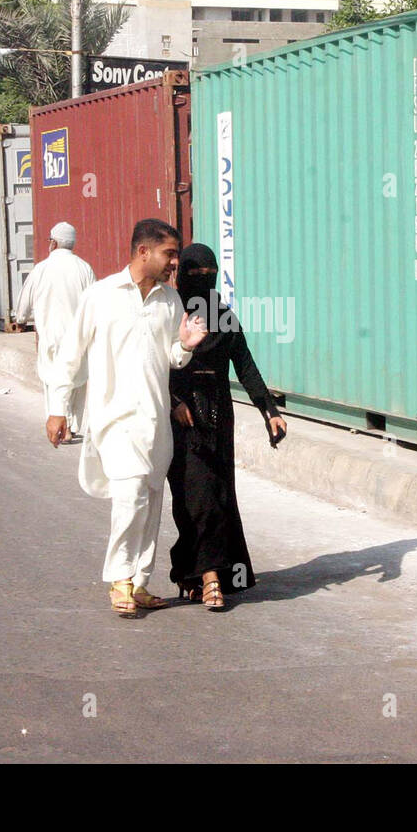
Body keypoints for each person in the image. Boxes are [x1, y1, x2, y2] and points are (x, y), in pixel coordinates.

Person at [46, 218, 208, 618]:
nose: (175, 262)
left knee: (151, 498)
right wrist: (57, 408)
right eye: (169, 253)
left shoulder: (169, 301)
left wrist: (185, 346)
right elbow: (70, 353)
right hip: (114, 417)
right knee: (131, 494)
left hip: (155, 418)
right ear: (143, 251)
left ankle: (139, 582)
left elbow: (171, 355)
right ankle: (119, 578)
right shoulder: (101, 295)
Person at [167, 244, 288, 610]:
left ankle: (203, 574)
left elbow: (246, 367)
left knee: (218, 496)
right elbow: (153, 361)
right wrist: (174, 402)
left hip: (218, 416)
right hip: (182, 417)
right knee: (194, 499)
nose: (203, 281)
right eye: (195, 275)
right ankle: (208, 577)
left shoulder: (225, 318)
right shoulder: (169, 313)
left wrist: (269, 411)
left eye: (210, 274)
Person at [15, 221, 96, 443]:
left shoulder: (41, 269)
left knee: (54, 382)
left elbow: (23, 304)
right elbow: (94, 304)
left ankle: (62, 425)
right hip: (78, 338)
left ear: (54, 242)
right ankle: (70, 425)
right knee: (76, 382)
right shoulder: (84, 268)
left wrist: (21, 320)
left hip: (49, 337)